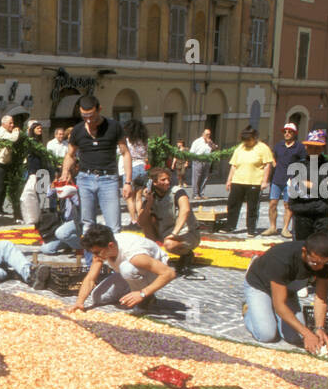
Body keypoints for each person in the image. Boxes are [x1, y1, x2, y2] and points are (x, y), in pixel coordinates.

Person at [60, 95, 132, 250]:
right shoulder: (78, 130)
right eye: (84, 116)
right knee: (87, 226)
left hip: (108, 179)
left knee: (114, 227)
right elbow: (70, 155)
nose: (88, 120)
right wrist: (65, 172)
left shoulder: (114, 126)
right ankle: (91, 263)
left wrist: (127, 182)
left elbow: (125, 153)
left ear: (99, 110)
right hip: (85, 179)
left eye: (91, 116)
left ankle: (114, 267)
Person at [242, 234, 328, 352]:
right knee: (266, 335)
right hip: (260, 285)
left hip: (287, 288)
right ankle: (248, 310)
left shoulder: (324, 262)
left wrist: (320, 328)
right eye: (315, 263)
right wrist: (307, 333)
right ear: (304, 251)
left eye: (323, 263)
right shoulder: (282, 258)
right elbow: (280, 306)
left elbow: (321, 298)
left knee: (294, 337)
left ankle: (267, 309)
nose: (319, 267)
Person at [66, 224, 176, 313]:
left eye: (96, 252)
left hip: (154, 271)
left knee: (127, 269)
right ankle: (134, 288)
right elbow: (90, 278)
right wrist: (79, 302)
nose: (95, 256)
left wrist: (142, 293)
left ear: (110, 246)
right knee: (98, 298)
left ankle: (146, 299)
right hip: (132, 270)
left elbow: (169, 273)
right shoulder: (102, 250)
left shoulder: (136, 255)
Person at [133, 167, 200, 263]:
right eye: (163, 180)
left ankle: (187, 254)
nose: (167, 182)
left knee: (169, 244)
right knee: (147, 220)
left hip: (186, 233)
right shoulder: (152, 196)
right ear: (154, 183)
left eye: (168, 179)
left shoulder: (177, 191)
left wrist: (174, 233)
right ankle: (153, 253)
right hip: (165, 233)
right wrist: (149, 202)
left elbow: (185, 210)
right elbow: (141, 222)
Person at [286, 128, 328, 241]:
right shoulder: (298, 166)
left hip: (322, 213)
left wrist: (310, 185)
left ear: (323, 148)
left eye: (317, 147)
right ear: (306, 147)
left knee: (321, 247)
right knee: (301, 247)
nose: (314, 150)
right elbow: (296, 188)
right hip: (302, 212)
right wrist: (323, 186)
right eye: (311, 146)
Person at [224, 127, 273, 235]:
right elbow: (233, 165)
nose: (246, 142)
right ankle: (230, 226)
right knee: (233, 205)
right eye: (244, 140)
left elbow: (267, 165)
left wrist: (264, 181)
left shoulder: (263, 148)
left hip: (254, 181)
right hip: (238, 180)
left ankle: (251, 229)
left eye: (248, 140)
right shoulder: (240, 148)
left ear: (255, 138)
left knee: (252, 207)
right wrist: (229, 180)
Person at [268, 123, 307, 237]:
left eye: (290, 132)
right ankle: (272, 227)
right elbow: (273, 157)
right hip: (277, 179)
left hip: (291, 180)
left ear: (295, 133)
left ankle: (285, 229)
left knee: (288, 205)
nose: (287, 134)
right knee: (272, 203)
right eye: (285, 131)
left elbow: (304, 162)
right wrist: (274, 165)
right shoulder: (279, 145)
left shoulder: (299, 147)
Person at [0, 114, 21, 216]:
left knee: (3, 187)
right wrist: (16, 131)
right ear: (3, 123)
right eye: (10, 123)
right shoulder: (1, 132)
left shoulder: (7, 131)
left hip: (5, 163)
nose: (12, 125)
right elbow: (12, 139)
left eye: (13, 123)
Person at [17, 121, 48, 225]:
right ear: (32, 130)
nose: (40, 130)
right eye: (38, 128)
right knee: (30, 191)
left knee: (39, 191)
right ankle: (30, 216)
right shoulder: (30, 142)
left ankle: (38, 214)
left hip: (40, 169)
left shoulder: (39, 142)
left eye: (41, 128)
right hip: (32, 169)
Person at [189, 128, 218, 200]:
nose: (208, 136)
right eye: (206, 134)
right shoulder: (197, 141)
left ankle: (202, 193)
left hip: (207, 160)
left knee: (205, 177)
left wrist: (211, 143)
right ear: (203, 134)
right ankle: (195, 194)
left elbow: (214, 148)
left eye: (209, 134)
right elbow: (191, 151)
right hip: (198, 160)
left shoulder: (210, 142)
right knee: (197, 177)